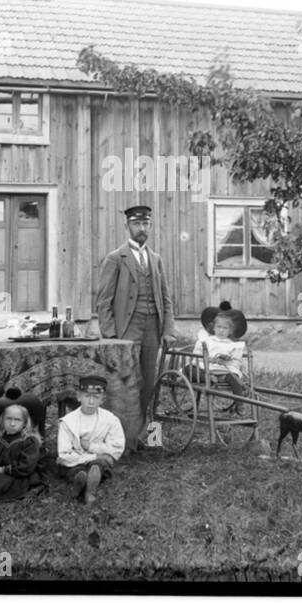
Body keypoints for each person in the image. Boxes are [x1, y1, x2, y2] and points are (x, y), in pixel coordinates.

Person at [95, 205, 176, 430]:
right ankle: (124, 438)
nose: (142, 228)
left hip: (153, 328)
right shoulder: (115, 259)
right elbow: (103, 301)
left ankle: (149, 436)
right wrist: (111, 335)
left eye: (146, 224)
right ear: (127, 226)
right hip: (127, 328)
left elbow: (166, 299)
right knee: (127, 383)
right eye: (136, 224)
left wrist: (168, 330)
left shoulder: (156, 259)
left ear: (150, 226)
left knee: (150, 383)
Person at [57, 376, 126, 505]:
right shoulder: (68, 422)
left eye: (96, 397)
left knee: (99, 464)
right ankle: (80, 481)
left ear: (102, 399)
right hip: (75, 461)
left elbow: (116, 448)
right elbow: (64, 454)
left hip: (97, 459)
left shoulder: (110, 420)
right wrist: (94, 455)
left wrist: (91, 447)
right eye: (87, 396)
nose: (91, 402)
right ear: (78, 397)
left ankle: (90, 490)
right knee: (74, 468)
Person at [187, 300, 249, 409]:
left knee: (235, 379)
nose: (221, 331)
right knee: (189, 369)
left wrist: (228, 359)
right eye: (219, 327)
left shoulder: (233, 345)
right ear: (213, 328)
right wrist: (208, 359)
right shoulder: (206, 341)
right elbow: (197, 354)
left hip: (223, 372)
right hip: (205, 369)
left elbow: (236, 360)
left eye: (225, 328)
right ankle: (209, 378)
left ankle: (240, 404)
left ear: (230, 331)